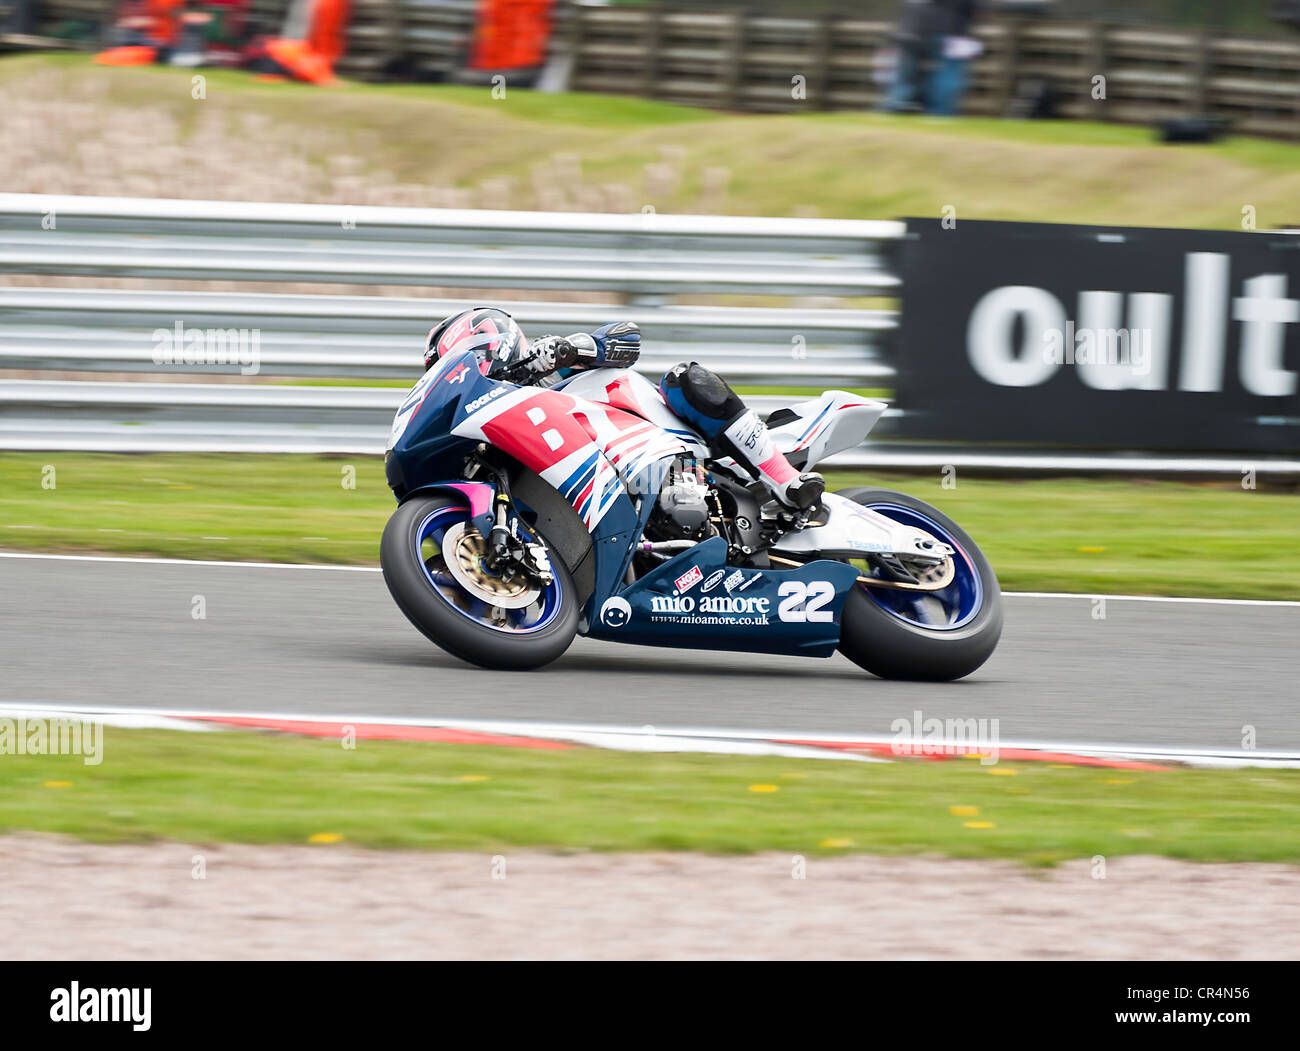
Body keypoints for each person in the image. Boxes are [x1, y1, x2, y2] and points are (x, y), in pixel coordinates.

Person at [424, 306, 825, 511]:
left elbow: (626, 338)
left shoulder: (555, 370)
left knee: (683, 377)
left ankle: (785, 479)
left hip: (686, 453)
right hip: (623, 490)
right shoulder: (504, 433)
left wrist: (570, 350)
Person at [882, 0, 980, 117]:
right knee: (948, 75)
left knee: (905, 79)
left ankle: (892, 108)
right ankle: (939, 112)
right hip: (946, 31)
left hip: (909, 30)